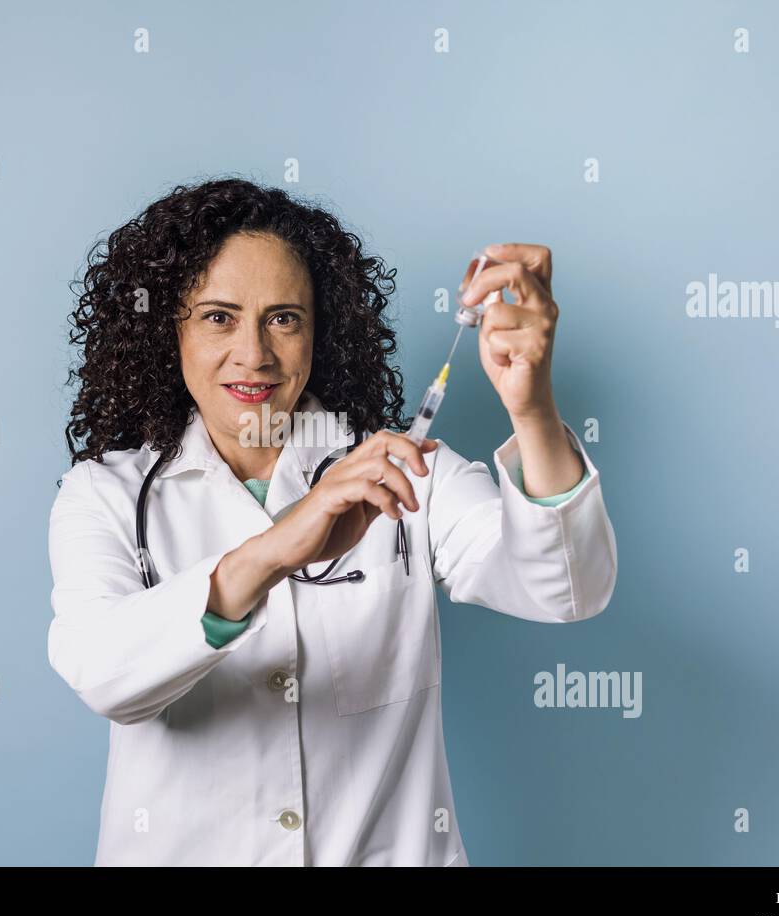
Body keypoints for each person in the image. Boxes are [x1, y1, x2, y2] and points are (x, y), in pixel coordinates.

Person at [47, 177, 618, 866]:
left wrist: (532, 410)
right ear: (167, 329)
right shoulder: (104, 495)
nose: (254, 354)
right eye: (218, 317)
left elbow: (567, 589)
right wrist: (273, 551)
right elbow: (105, 675)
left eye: (284, 317)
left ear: (322, 328)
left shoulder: (404, 472)